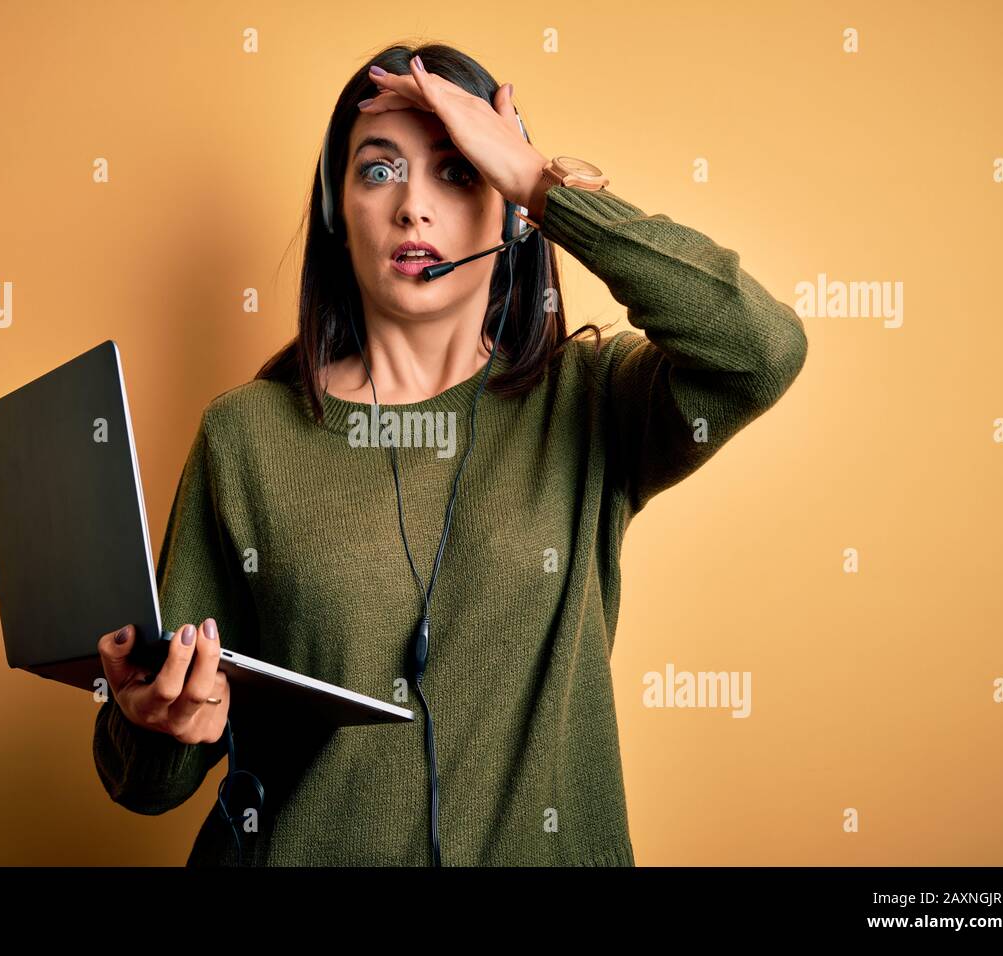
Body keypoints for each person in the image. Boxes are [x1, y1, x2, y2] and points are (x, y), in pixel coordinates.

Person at [92, 42, 808, 866]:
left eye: (458, 172)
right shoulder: (246, 437)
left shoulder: (590, 402)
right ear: (337, 210)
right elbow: (152, 781)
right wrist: (154, 717)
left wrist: (542, 184)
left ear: (505, 211)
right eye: (378, 171)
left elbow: (761, 349)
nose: (413, 210)